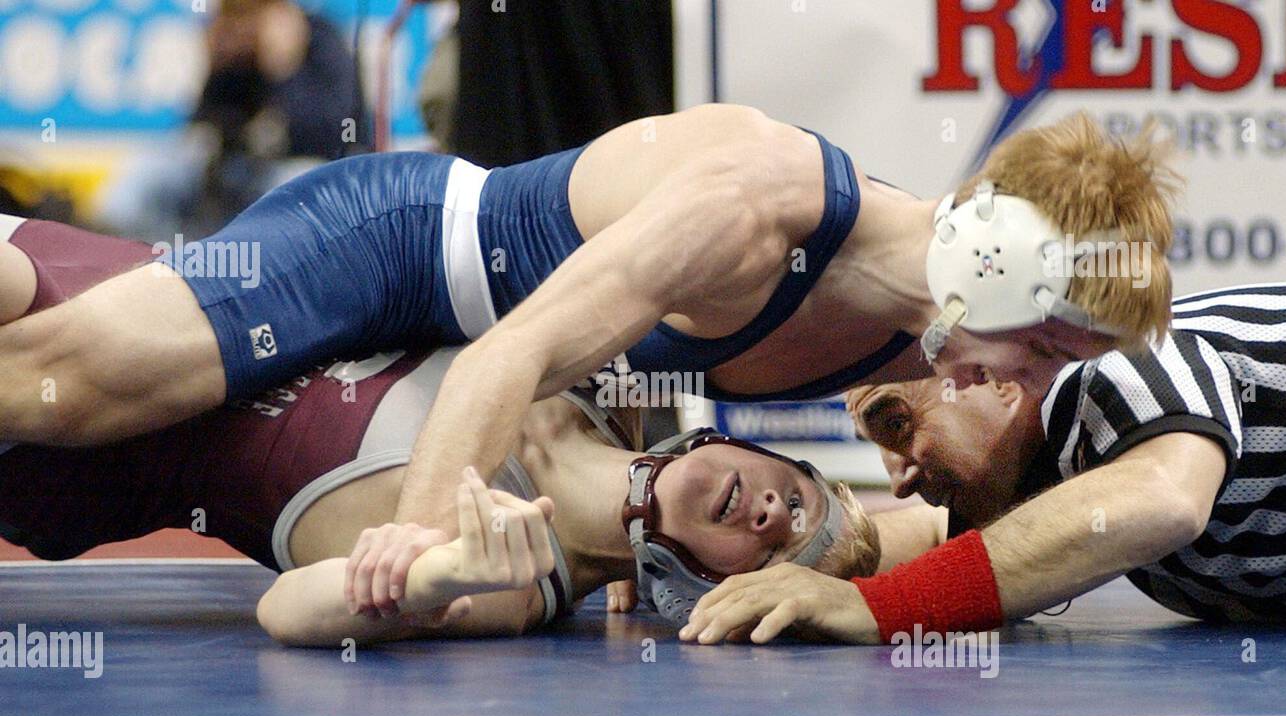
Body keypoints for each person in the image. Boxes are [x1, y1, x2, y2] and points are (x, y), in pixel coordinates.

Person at [0, 109, 1175, 617]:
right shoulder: (763, 200)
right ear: (997, 264)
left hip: (452, 346)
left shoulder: (912, 333)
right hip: (384, 250)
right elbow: (507, 354)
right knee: (65, 384)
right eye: (1051, 345)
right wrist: (421, 536)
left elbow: (932, 515)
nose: (1026, 382)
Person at [0, 215, 876, 642]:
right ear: (740, 442)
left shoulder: (508, 581)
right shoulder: (602, 370)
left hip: (63, 455)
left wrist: (429, 575)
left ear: (707, 593)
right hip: (91, 281)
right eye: (792, 491)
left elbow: (285, 608)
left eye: (779, 543)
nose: (769, 511)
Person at [680, 282, 1286, 644]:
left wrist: (875, 608)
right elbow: (939, 538)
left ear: (995, 377)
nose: (898, 480)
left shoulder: (1112, 364)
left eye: (897, 422)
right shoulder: (1061, 463)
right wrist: (694, 557)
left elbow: (1162, 499)